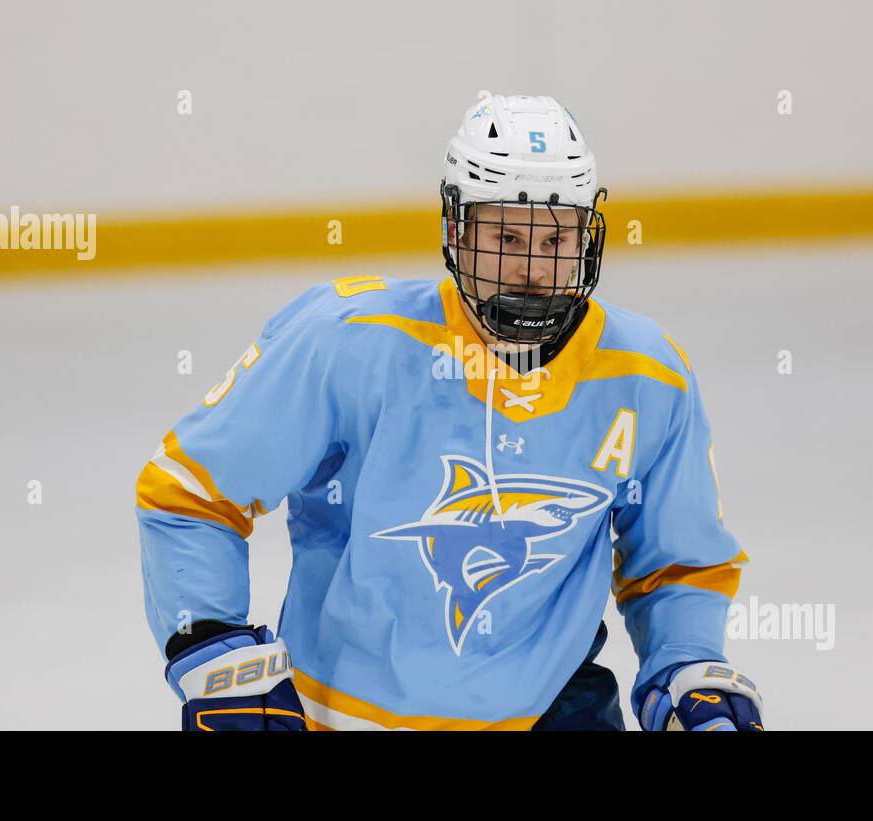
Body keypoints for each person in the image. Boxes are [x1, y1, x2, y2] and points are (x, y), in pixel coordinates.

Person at [136, 91, 763, 731]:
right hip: (345, 716)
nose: (532, 270)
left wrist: (688, 667)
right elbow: (192, 490)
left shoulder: (648, 372)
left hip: (554, 712)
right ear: (456, 231)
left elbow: (678, 559)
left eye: (556, 239)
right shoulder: (348, 342)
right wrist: (215, 652)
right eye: (506, 236)